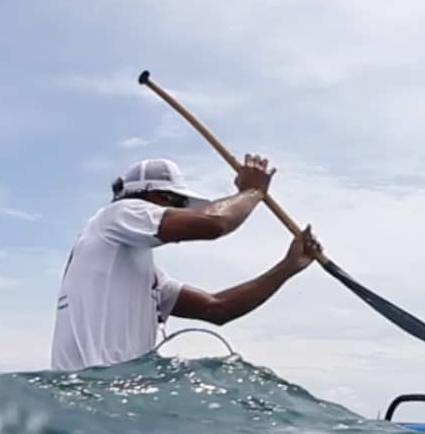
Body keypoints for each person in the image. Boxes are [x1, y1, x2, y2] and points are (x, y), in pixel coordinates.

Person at [49, 155, 320, 372]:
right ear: (154, 197)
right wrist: (253, 191)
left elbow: (217, 309)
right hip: (92, 390)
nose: (181, 210)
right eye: (177, 202)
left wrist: (287, 267)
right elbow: (214, 224)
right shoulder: (117, 214)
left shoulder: (146, 276)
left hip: (118, 395)